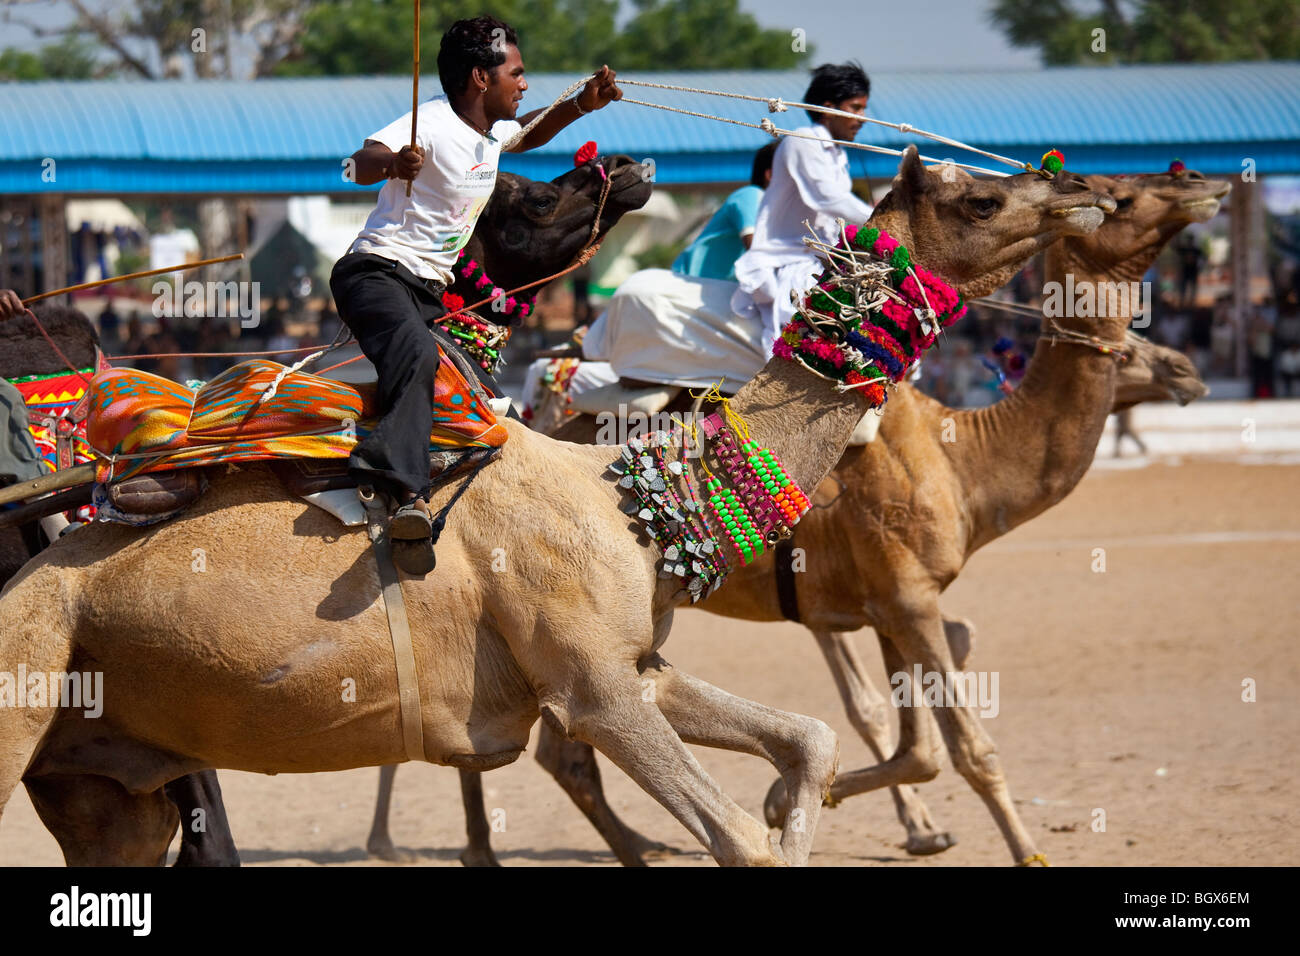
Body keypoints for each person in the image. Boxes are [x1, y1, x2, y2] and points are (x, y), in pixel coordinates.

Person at [329, 15, 621, 542]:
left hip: (427, 292)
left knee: (479, 396)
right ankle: (396, 490)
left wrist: (583, 104)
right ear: (481, 79)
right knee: (418, 355)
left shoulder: (489, 135)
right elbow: (355, 165)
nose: (524, 83)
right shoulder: (430, 122)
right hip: (374, 274)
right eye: (517, 73)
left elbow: (530, 131)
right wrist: (394, 162)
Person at [731, 62, 875, 355]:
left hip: (820, 259)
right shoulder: (803, 140)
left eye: (864, 109)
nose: (862, 118)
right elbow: (829, 199)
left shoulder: (837, 155)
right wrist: (881, 220)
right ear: (827, 108)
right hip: (789, 260)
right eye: (855, 108)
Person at [672, 142, 778, 282]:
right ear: (769, 175)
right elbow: (755, 248)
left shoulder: (778, 210)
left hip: (718, 286)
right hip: (693, 282)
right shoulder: (752, 195)